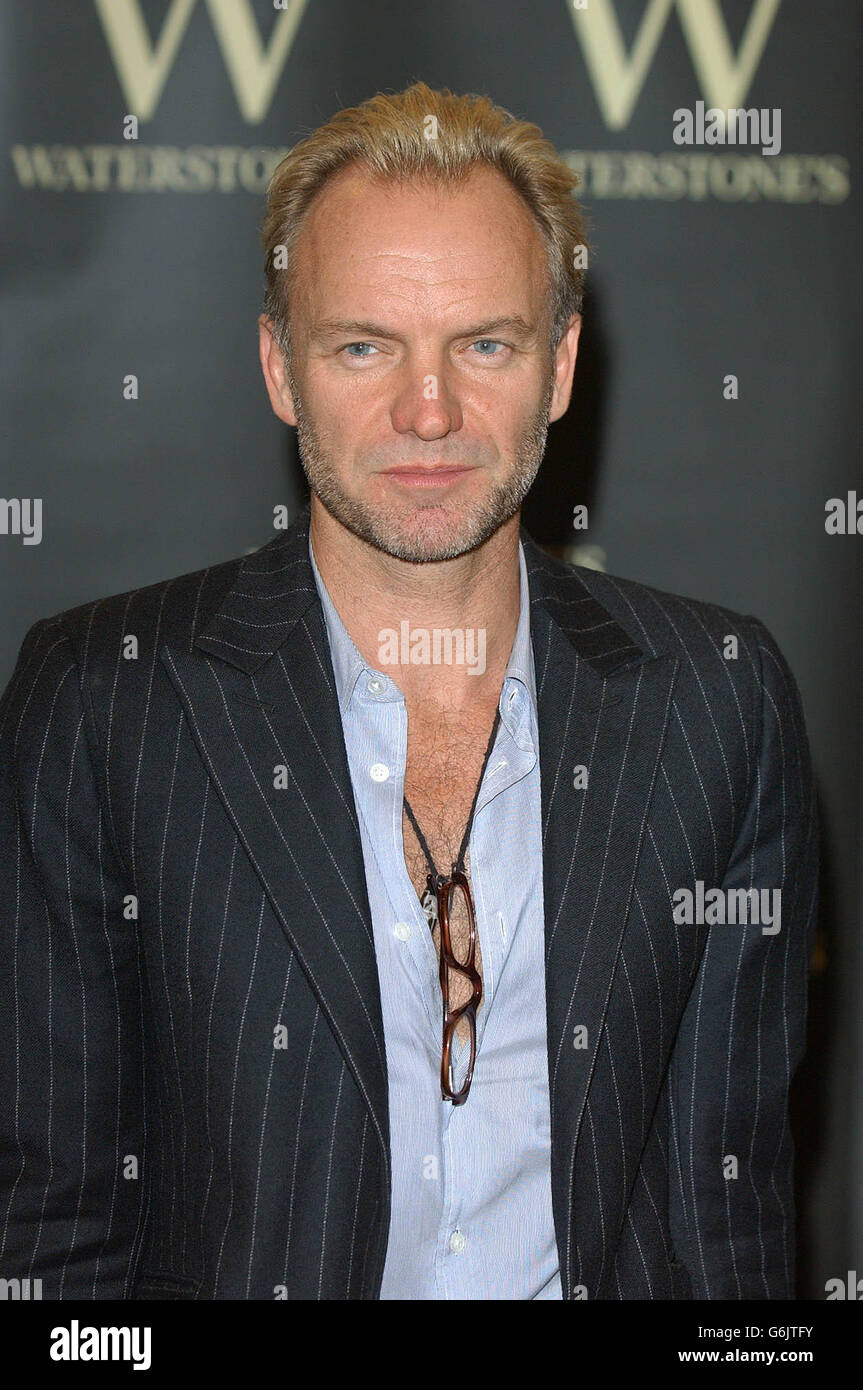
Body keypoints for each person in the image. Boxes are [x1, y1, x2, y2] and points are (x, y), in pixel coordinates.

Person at [0, 82, 818, 1301]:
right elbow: (54, 1235)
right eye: (363, 345)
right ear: (281, 367)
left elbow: (727, 1223)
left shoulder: (716, 702)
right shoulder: (105, 702)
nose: (426, 411)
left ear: (559, 365)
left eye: (483, 343)